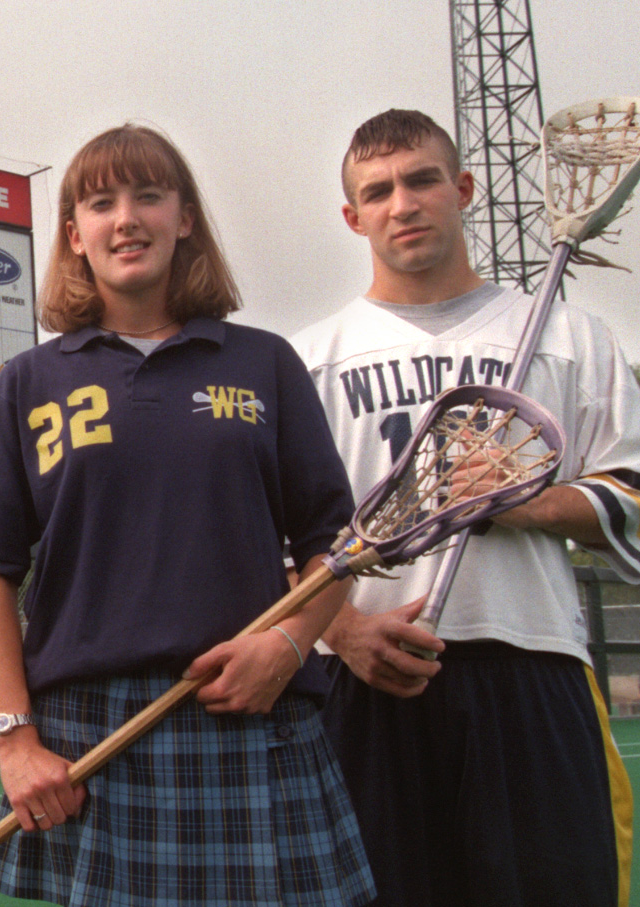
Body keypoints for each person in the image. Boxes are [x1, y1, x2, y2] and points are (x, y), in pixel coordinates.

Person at [0, 124, 374, 906]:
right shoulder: (26, 380)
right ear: (74, 235)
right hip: (89, 733)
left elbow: (334, 544)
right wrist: (15, 740)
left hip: (255, 713)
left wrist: (287, 643)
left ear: (185, 218)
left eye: (149, 195)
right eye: (101, 201)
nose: (126, 218)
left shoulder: (265, 363)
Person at [292, 108, 639, 907]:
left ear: (462, 188)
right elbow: (267, 543)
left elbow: (630, 492)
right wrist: (342, 630)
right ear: (352, 217)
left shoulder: (566, 335)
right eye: (376, 192)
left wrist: (527, 501)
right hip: (363, 676)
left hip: (530, 660)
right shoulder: (309, 361)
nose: (401, 204)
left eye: (420, 180)